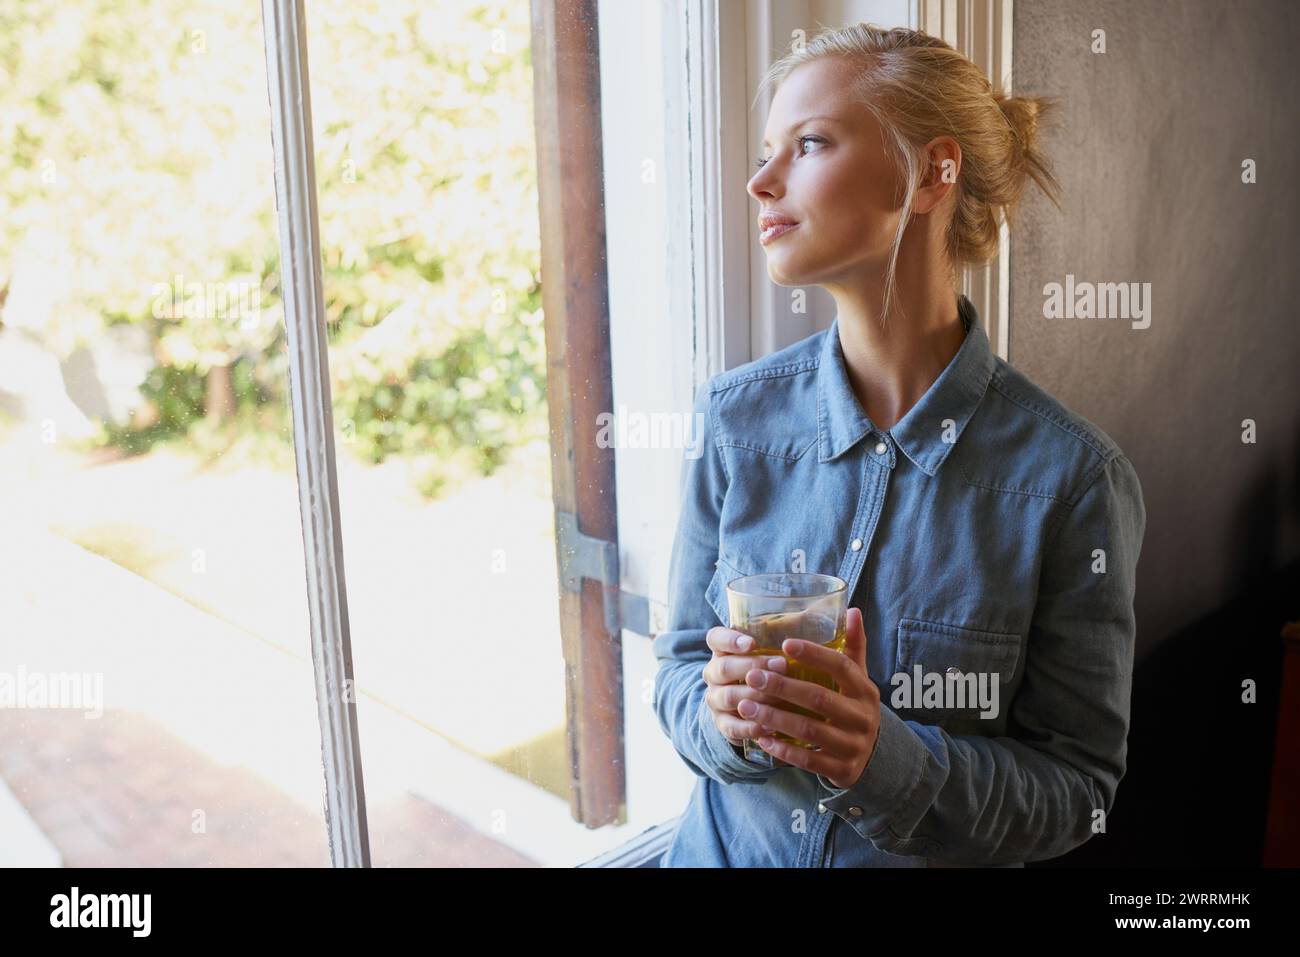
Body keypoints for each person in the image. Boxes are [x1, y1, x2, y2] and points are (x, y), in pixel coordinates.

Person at [651, 22, 1147, 867]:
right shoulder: (733, 422)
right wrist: (720, 717)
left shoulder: (1073, 481)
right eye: (771, 149)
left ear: (931, 173)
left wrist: (881, 757)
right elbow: (679, 670)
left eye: (808, 144)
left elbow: (1076, 795)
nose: (759, 181)